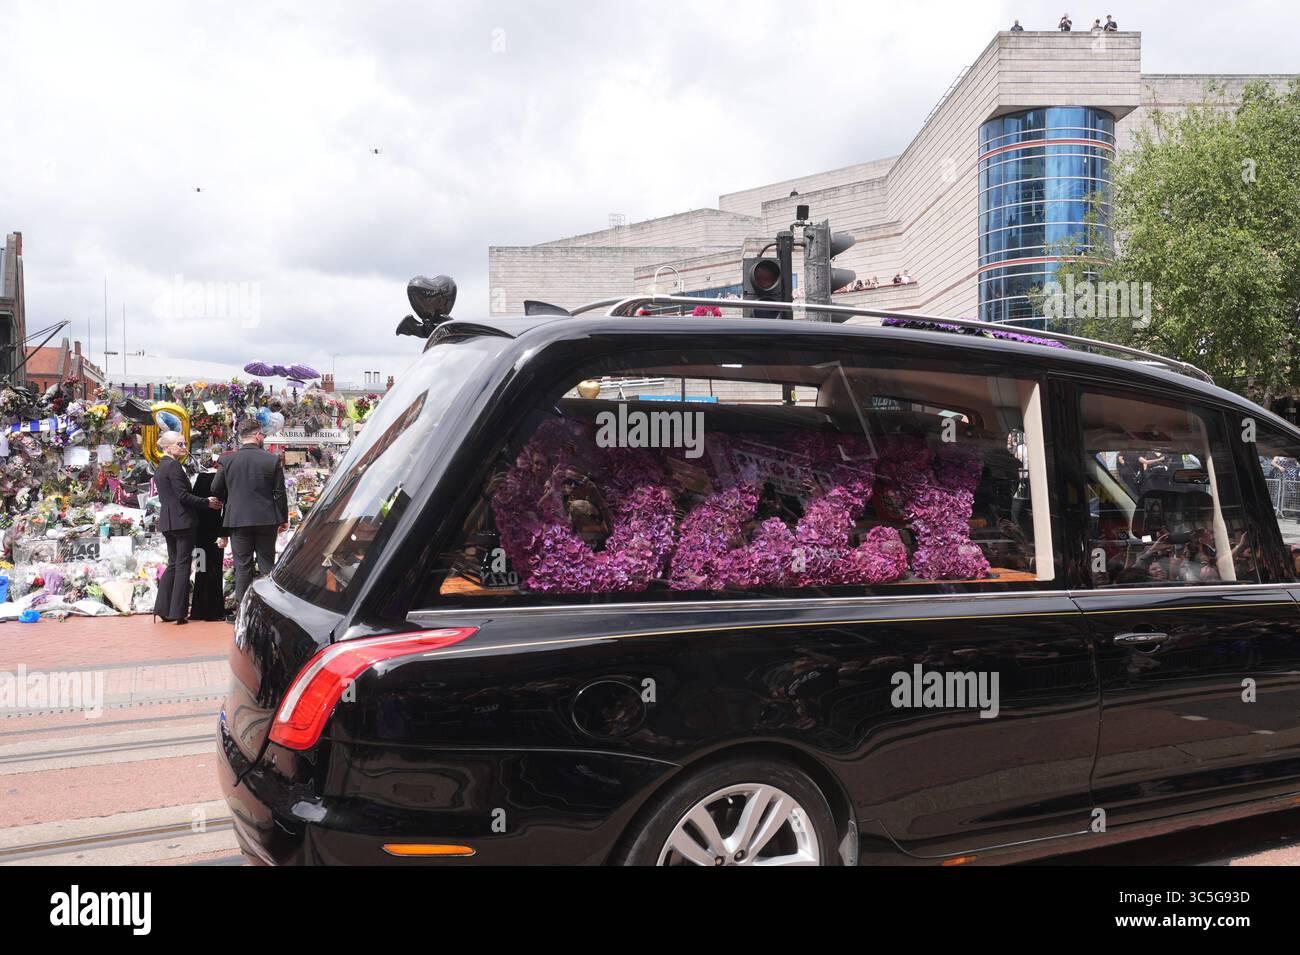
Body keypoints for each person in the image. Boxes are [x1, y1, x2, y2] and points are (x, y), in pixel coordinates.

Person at [213, 418, 288, 609]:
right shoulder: (272, 459)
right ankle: (268, 608)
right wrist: (283, 519)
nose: (263, 437)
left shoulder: (227, 460)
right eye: (262, 434)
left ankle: (243, 610)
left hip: (238, 519)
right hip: (266, 519)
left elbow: (215, 488)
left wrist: (230, 496)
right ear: (257, 435)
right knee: (266, 566)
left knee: (242, 567)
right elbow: (279, 493)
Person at [153, 431, 222, 625]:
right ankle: (178, 612)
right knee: (182, 565)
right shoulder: (174, 466)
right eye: (180, 444)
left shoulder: (161, 466)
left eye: (184, 444)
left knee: (174, 563)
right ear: (167, 447)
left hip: (168, 521)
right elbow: (183, 496)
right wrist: (206, 502)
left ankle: (163, 608)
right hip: (182, 521)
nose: (184, 447)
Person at [190, 453, 229, 621]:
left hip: (200, 530)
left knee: (202, 568)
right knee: (214, 568)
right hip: (214, 529)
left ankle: (199, 609)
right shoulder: (220, 481)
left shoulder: (200, 479)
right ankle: (213, 610)